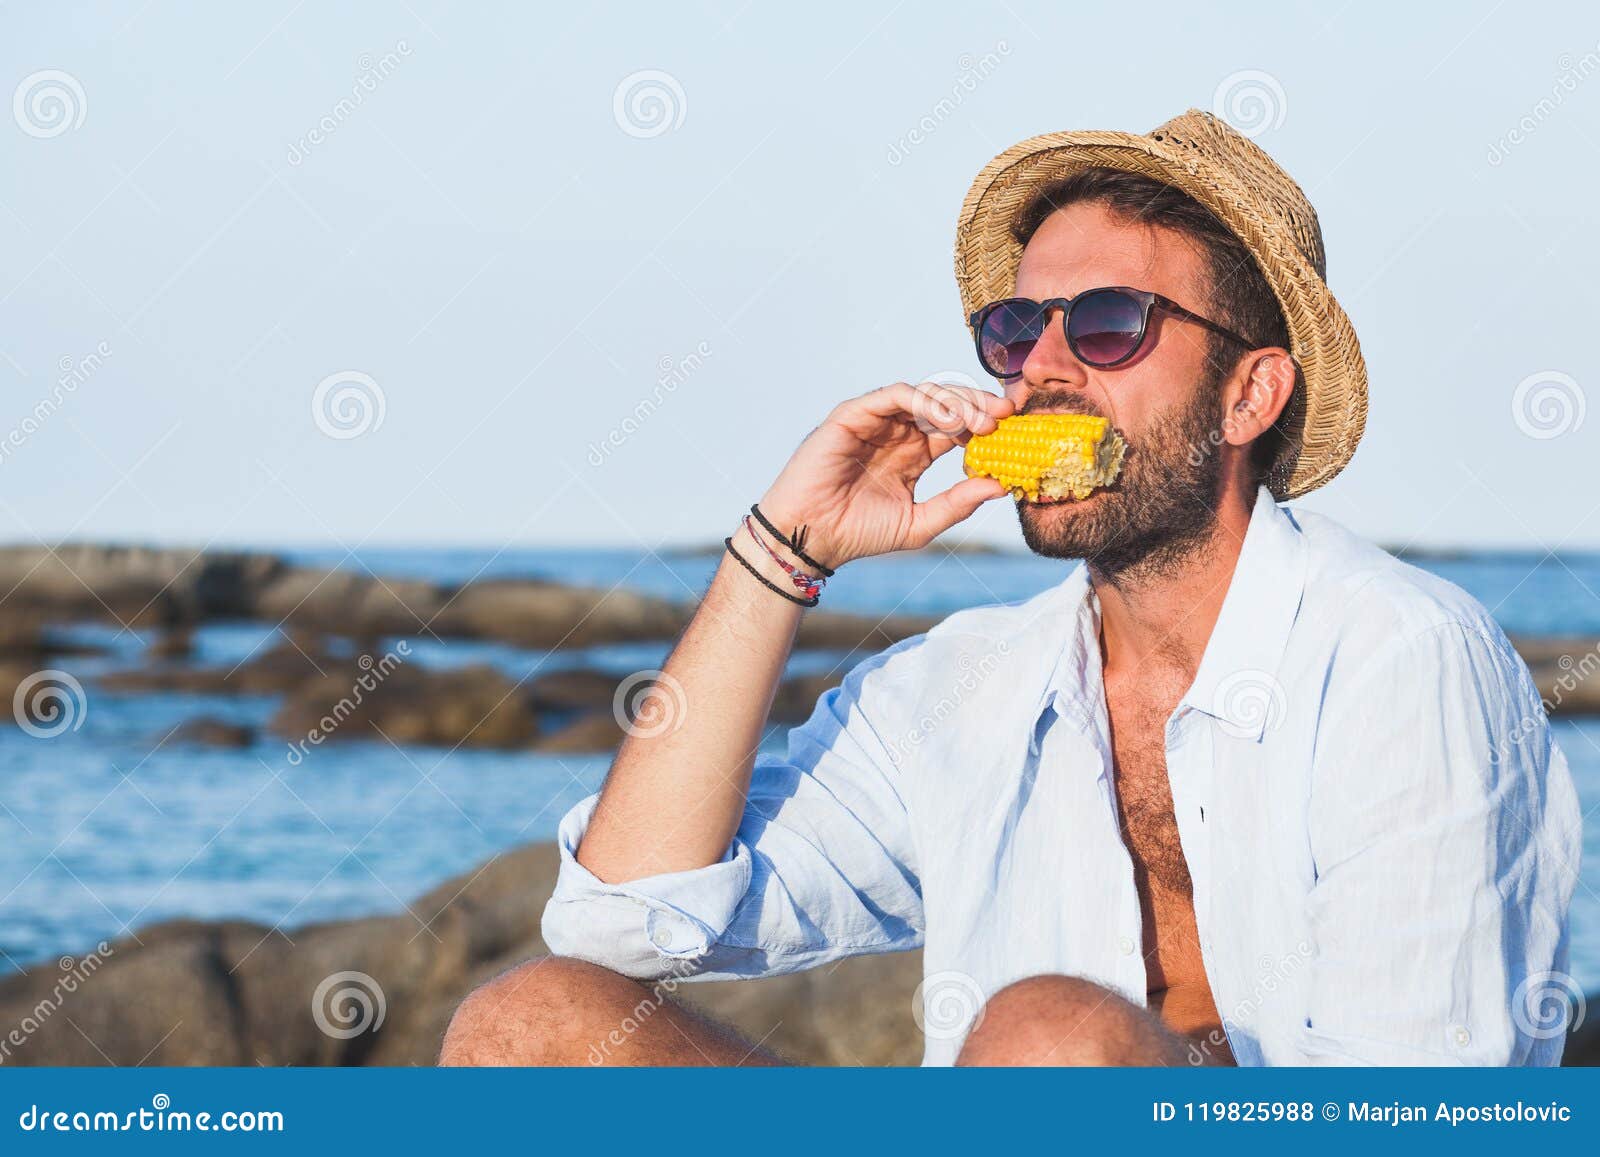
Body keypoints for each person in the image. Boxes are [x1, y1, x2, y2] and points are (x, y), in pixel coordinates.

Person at [440, 109, 1581, 1067]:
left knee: (1048, 1036)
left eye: (1106, 324)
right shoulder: (962, 683)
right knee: (528, 1023)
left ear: (1249, 396)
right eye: (1013, 328)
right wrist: (782, 548)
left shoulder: (1397, 654)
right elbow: (619, 915)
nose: (1040, 369)